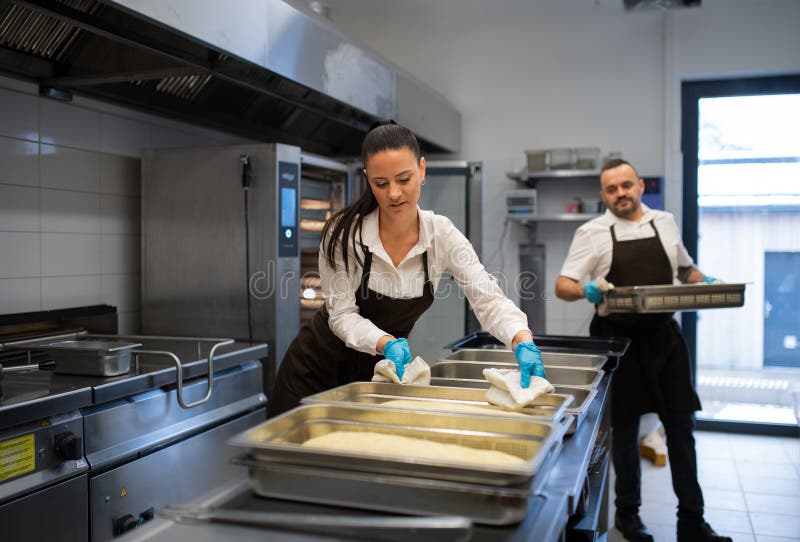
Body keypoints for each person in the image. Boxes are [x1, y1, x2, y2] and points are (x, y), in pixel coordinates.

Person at [267, 121, 545, 417]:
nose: (394, 193)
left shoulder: (441, 234)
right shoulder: (345, 234)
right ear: (367, 179)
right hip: (311, 372)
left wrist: (521, 339)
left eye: (404, 179)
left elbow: (487, 297)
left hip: (374, 379)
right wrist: (385, 343)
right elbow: (341, 315)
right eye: (381, 183)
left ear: (422, 170)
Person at [554, 159, 732, 542]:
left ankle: (692, 522)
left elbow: (685, 269)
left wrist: (705, 281)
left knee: (682, 430)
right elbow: (563, 285)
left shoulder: (664, 222)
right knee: (624, 433)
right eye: (612, 189)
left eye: (626, 185)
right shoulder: (592, 232)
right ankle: (628, 517)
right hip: (618, 343)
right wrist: (586, 289)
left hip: (665, 340)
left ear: (640, 186)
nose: (621, 193)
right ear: (603, 195)